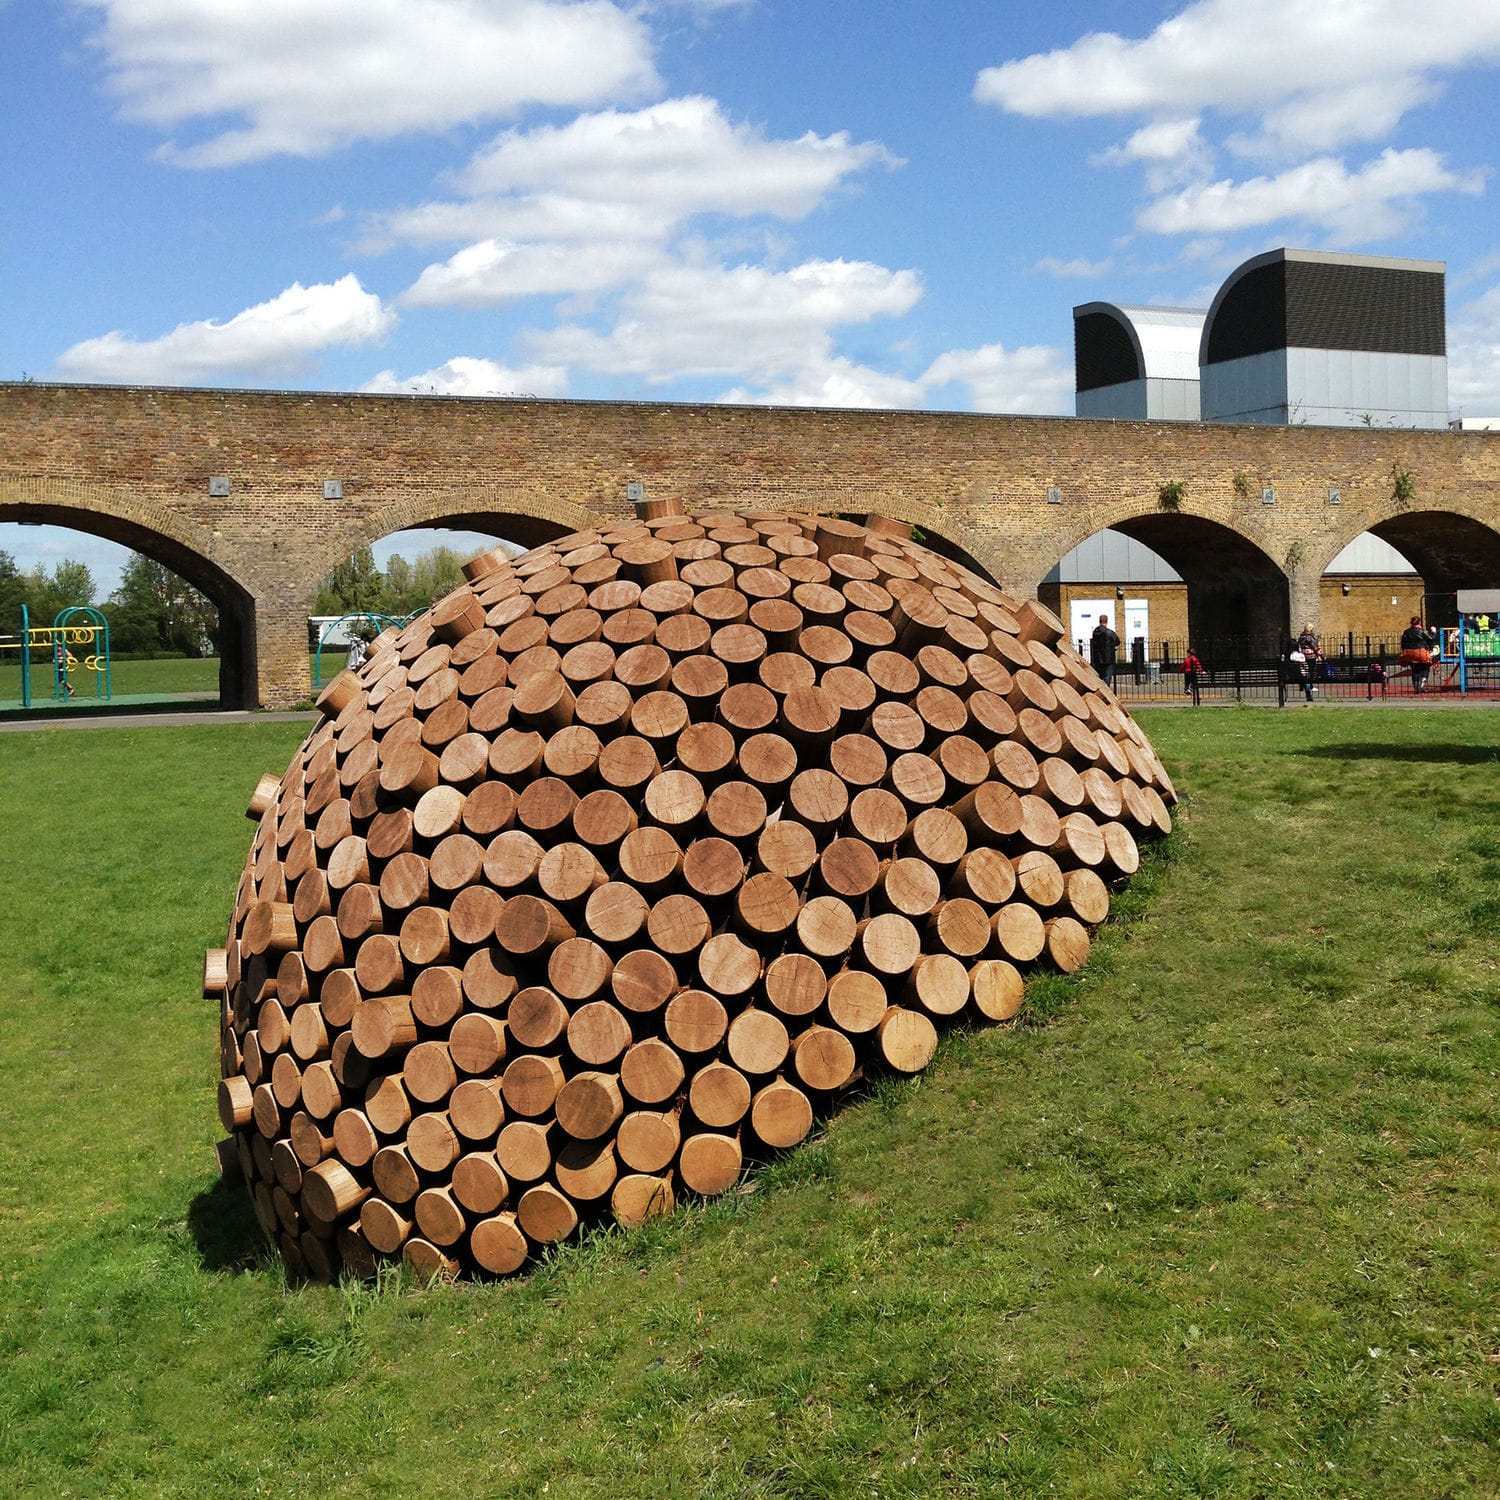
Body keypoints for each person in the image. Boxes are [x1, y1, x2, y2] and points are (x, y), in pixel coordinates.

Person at [1399, 615, 1437, 693]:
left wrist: (1405, 651)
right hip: (1421, 651)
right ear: (1419, 622)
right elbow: (1431, 639)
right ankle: (1423, 684)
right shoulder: (1422, 631)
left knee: (1415, 670)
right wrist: (1433, 632)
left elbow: (1403, 643)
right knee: (1426, 667)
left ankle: (1416, 687)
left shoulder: (1406, 632)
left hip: (1409, 652)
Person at [1090, 614, 1120, 687]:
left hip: (1097, 659)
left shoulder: (1095, 632)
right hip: (1108, 659)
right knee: (1107, 678)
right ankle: (1106, 694)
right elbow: (1117, 641)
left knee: (1100, 678)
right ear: (1107, 621)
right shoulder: (1110, 633)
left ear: (1099, 621)